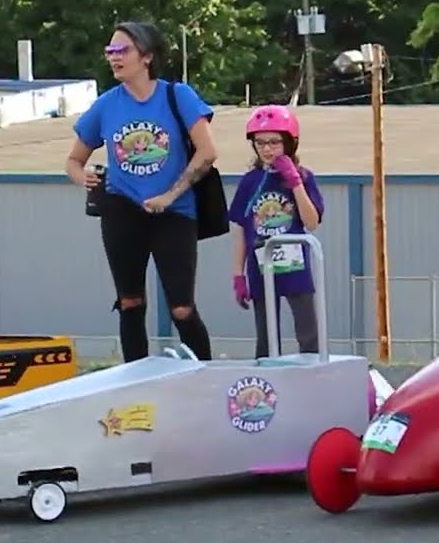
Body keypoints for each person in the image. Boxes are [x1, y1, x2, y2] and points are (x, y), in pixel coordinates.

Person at [65, 21, 218, 362]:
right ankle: (135, 381)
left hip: (173, 211)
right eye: (110, 52)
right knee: (130, 302)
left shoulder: (177, 96)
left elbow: (207, 152)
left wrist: (169, 196)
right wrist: (83, 177)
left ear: (146, 57)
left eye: (123, 51)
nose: (114, 58)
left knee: (181, 307)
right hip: (122, 209)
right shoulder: (106, 105)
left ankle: (205, 374)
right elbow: (74, 160)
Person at [228, 105, 325, 357]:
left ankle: (311, 377)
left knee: (308, 331)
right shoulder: (250, 181)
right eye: (260, 143)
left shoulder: (304, 177)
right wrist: (238, 275)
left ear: (290, 144)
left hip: (294, 264)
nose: (267, 149)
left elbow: (311, 221)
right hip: (261, 265)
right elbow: (241, 227)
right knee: (266, 336)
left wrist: (295, 183)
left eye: (274, 142)